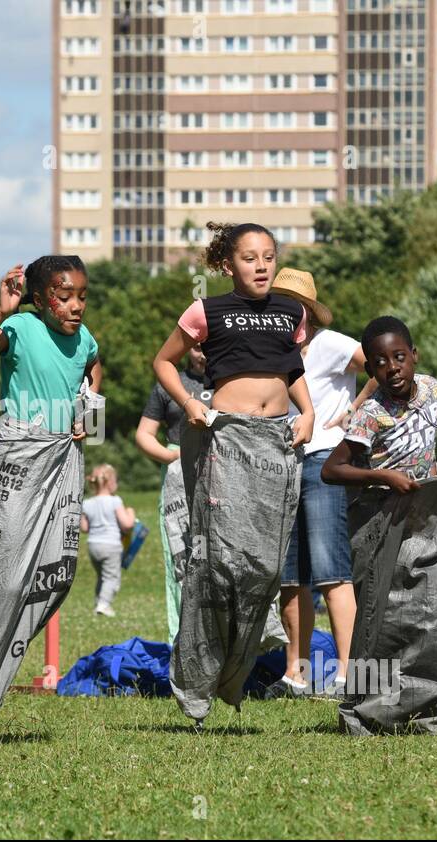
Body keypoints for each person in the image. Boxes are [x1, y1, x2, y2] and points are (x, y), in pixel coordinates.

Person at [152, 222, 314, 728]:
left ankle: (232, 671)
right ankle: (195, 678)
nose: (262, 265)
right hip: (226, 440)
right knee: (220, 566)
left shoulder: (293, 313)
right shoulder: (207, 311)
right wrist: (189, 404)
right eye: (250, 257)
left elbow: (292, 372)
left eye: (269, 256)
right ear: (229, 265)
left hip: (277, 441)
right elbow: (163, 362)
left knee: (266, 571)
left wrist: (306, 414)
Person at [0, 256, 103, 742]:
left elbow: (93, 372)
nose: (74, 305)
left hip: (63, 459)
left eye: (81, 295)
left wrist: (88, 416)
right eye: (63, 295)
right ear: (40, 299)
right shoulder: (19, 325)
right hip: (17, 455)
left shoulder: (86, 337)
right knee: (8, 577)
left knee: (57, 576)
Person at [321, 315, 437, 735]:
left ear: (414, 356)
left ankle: (432, 707)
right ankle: (369, 710)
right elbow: (332, 471)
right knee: (384, 618)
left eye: (400, 357)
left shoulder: (433, 390)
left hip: (429, 514)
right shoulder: (370, 415)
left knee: (435, 612)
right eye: (381, 362)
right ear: (370, 370)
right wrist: (384, 476)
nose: (393, 368)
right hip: (384, 517)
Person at [270, 268, 363, 699]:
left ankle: (348, 674)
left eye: (295, 308)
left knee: (331, 572)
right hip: (282, 466)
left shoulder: (331, 344)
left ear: (308, 312)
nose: (287, 315)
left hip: (324, 460)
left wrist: (355, 411)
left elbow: (384, 363)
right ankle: (297, 673)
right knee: (290, 579)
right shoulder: (272, 352)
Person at [135, 345, 212, 642]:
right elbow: (144, 434)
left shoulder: (229, 380)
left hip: (221, 472)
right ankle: (180, 640)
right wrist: (172, 457)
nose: (202, 353)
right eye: (196, 347)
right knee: (181, 558)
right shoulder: (169, 384)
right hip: (179, 479)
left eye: (209, 344)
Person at [81, 464, 136, 617]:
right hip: (111, 545)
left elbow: (85, 528)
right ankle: (103, 605)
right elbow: (127, 525)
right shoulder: (115, 501)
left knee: (102, 577)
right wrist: (130, 513)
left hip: (93, 546)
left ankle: (99, 602)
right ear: (110, 483)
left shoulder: (87, 503)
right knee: (111, 578)